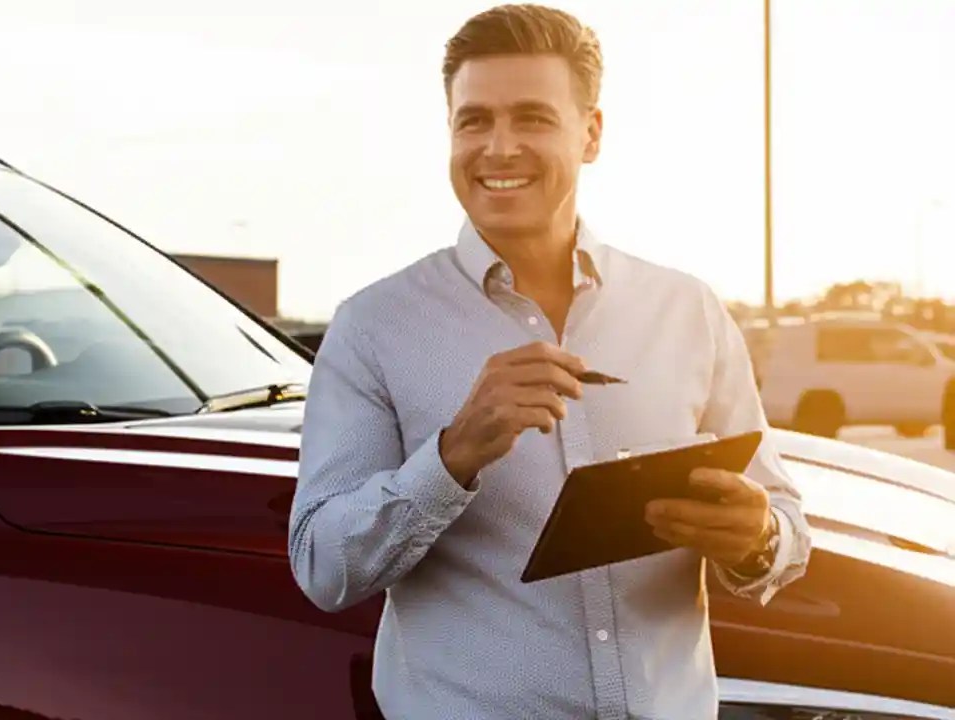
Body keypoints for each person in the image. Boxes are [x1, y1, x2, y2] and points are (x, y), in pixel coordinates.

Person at [287, 4, 812, 718]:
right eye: (474, 121)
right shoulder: (373, 328)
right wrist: (450, 458)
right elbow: (322, 566)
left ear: (590, 133)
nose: (498, 148)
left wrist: (757, 541)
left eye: (532, 118)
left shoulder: (687, 311)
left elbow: (781, 522)